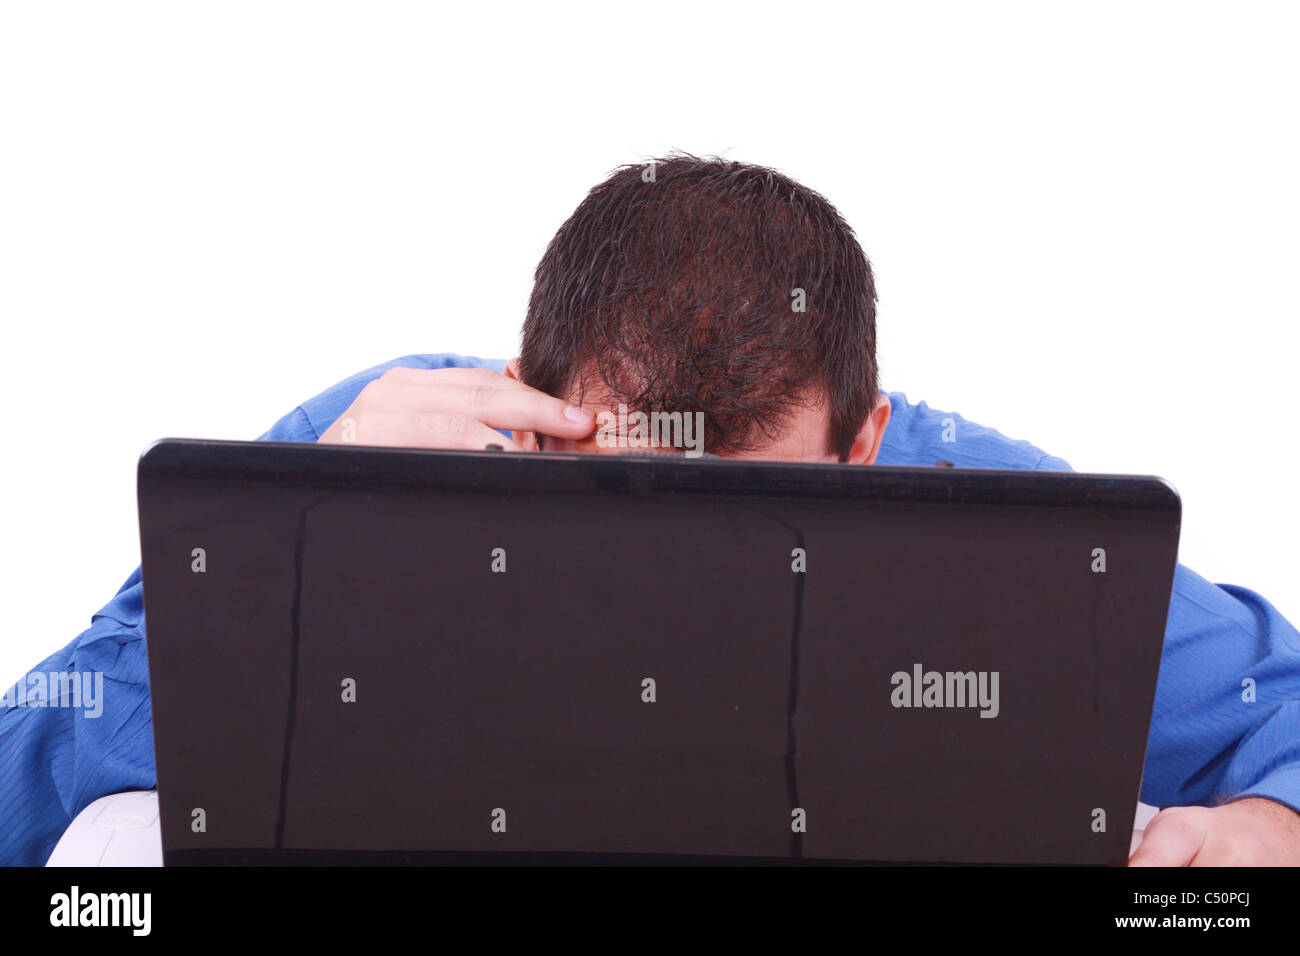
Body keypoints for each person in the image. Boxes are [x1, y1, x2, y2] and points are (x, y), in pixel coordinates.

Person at [3, 156, 1298, 866]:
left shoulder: (992, 522)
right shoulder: (363, 459)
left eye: (765, 528)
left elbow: (1274, 709)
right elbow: (25, 785)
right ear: (525, 409)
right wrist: (281, 576)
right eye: (629, 502)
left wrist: (1268, 824)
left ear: (869, 449)